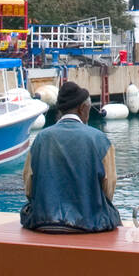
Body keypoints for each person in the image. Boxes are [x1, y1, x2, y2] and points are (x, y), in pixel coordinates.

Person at [20, 82, 120, 233]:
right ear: (82, 108)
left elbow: (29, 187)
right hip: (88, 223)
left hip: (43, 221)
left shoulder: (40, 138)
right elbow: (108, 189)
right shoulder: (100, 140)